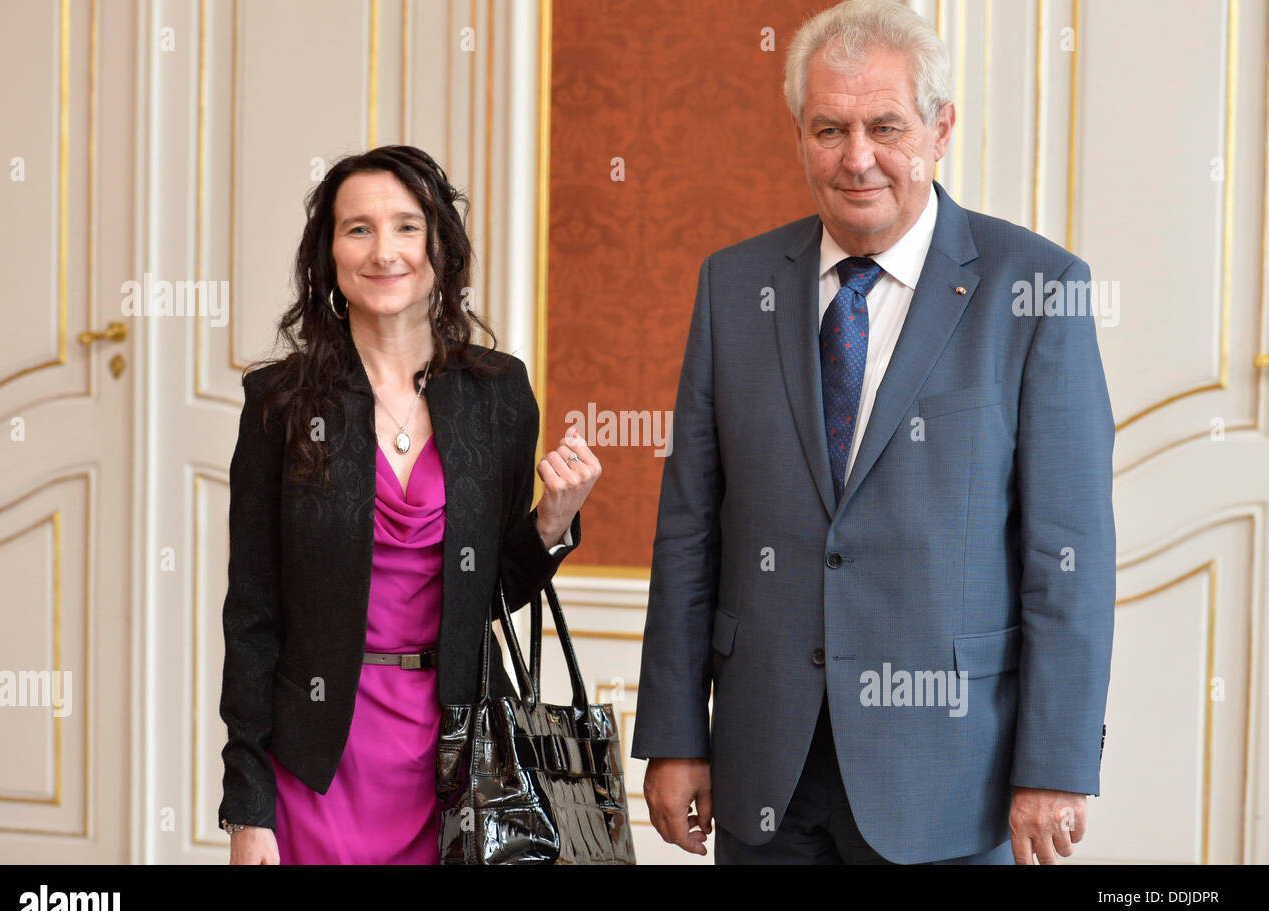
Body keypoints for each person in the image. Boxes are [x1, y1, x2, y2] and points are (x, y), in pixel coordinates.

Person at [632, 0, 1114, 865]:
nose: (857, 158)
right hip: (765, 769)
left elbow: (1067, 556)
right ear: (799, 134)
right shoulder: (735, 286)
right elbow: (689, 529)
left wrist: (1056, 763)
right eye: (829, 129)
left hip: (950, 781)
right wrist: (674, 733)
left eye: (885, 126)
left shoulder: (1037, 290)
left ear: (941, 128)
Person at [217, 145, 601, 864]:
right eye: (357, 228)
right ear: (328, 255)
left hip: (456, 759)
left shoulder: (497, 394)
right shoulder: (281, 403)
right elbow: (253, 615)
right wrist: (247, 807)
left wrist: (553, 518)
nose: (383, 251)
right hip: (320, 757)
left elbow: (487, 592)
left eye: (405, 227)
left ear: (439, 247)